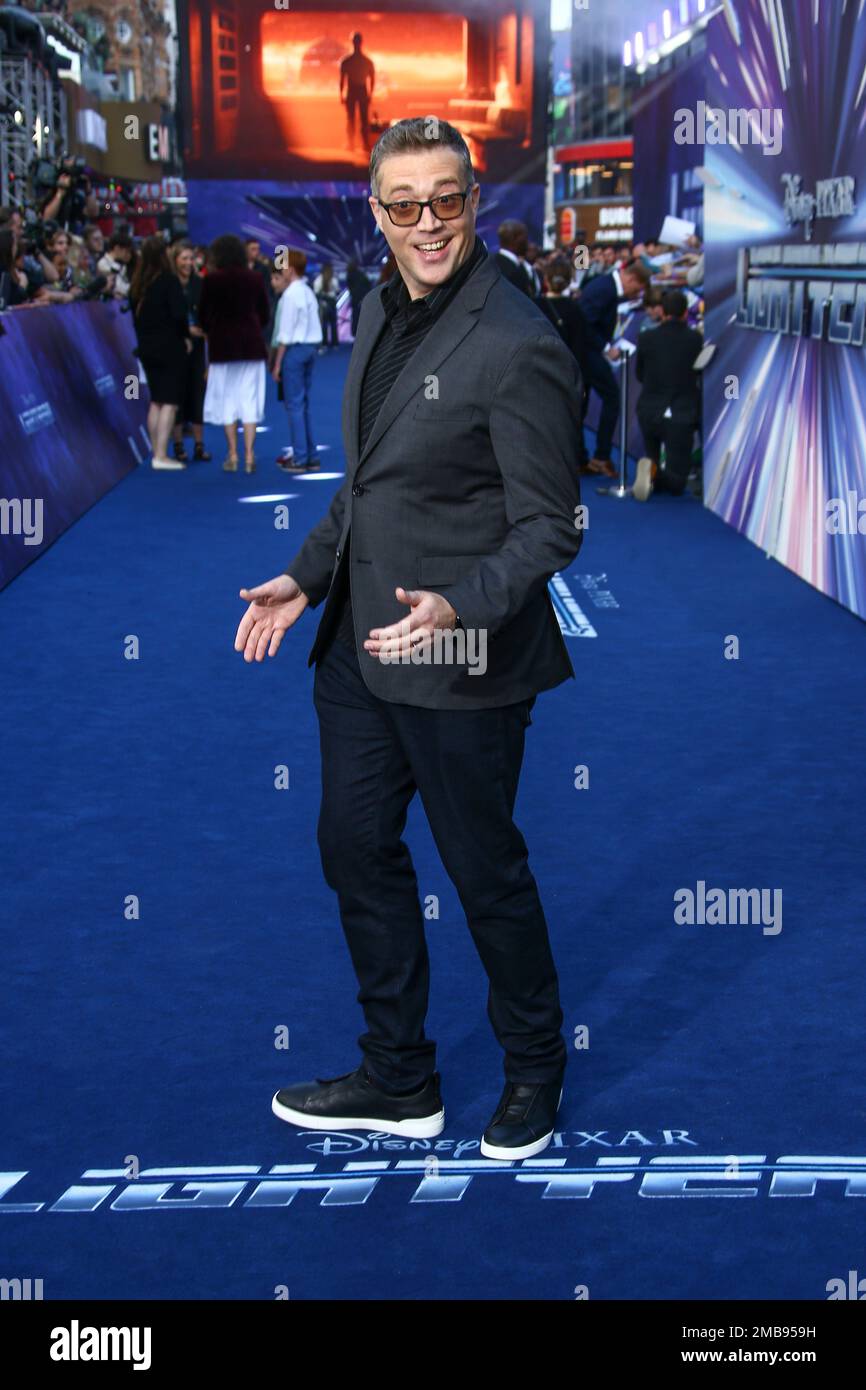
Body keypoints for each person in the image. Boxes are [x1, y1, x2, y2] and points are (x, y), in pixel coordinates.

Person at [234, 116, 583, 1162]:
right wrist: (306, 574)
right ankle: (398, 1075)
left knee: (482, 868)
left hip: (459, 655)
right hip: (358, 646)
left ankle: (533, 1066)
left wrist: (459, 607)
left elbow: (549, 526)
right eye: (403, 205)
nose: (427, 223)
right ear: (375, 212)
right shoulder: (382, 311)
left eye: (446, 200)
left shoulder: (517, 341)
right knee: (350, 842)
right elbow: (371, 481)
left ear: (474, 201)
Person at [199, 233, 270, 474]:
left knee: (227, 401)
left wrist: (213, 329)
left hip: (222, 348)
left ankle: (232, 455)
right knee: (249, 401)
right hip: (251, 346)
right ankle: (250, 456)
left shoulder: (211, 280)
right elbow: (265, 313)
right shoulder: (255, 278)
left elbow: (203, 317)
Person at [574, 256, 650, 476]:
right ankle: (600, 457)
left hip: (588, 352)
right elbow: (585, 322)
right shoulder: (604, 289)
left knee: (583, 405)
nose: (636, 295)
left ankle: (581, 457)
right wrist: (606, 347)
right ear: (632, 279)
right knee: (612, 398)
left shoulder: (605, 285)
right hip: (588, 354)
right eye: (638, 290)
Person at [634, 289, 704, 501]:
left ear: (663, 312)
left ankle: (651, 469)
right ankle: (655, 473)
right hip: (681, 413)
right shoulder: (695, 340)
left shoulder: (646, 337)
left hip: (648, 410)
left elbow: (639, 374)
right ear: (685, 313)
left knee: (653, 455)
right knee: (677, 482)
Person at [129, 235, 192, 472]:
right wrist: (185, 336)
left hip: (145, 347)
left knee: (155, 400)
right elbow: (179, 314)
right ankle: (162, 454)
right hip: (169, 347)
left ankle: (156, 450)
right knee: (170, 401)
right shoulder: (169, 281)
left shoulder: (137, 284)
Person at [270, 251, 323, 472]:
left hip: (295, 350)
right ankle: (310, 455)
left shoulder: (290, 295)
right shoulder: (307, 290)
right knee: (304, 404)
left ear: (290, 269)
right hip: (311, 348)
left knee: (294, 405)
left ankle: (300, 458)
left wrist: (277, 364)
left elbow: (285, 333)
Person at [536, 257, 589, 472]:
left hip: (536, 375)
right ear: (569, 281)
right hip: (566, 377)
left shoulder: (531, 304)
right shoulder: (575, 309)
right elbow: (580, 349)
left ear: (546, 279)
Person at [169, 240, 211, 463]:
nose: (187, 262)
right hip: (175, 347)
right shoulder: (168, 284)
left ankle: (199, 445)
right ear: (175, 260)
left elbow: (207, 312)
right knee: (177, 397)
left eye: (190, 258)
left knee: (197, 394)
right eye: (183, 258)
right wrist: (185, 330)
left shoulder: (199, 283)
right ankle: (177, 445)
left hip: (197, 348)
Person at [340, 31, 375, 151]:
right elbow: (372, 79)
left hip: (355, 90)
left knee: (353, 118)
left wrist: (341, 95)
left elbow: (342, 80)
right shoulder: (366, 61)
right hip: (360, 90)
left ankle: (354, 144)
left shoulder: (347, 61)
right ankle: (362, 144)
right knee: (359, 119)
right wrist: (370, 94)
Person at [494, 219, 536, 296]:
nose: (528, 243)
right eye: (525, 238)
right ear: (514, 239)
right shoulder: (509, 270)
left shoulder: (491, 263)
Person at [97, 232, 134, 300]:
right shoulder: (103, 264)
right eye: (126, 251)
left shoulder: (122, 265)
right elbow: (116, 287)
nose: (128, 254)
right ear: (117, 248)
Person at [313, 260, 340, 349]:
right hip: (330, 303)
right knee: (333, 324)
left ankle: (324, 344)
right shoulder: (333, 280)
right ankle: (334, 344)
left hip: (324, 303)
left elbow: (316, 292)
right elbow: (337, 291)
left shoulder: (318, 280)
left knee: (324, 325)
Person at [345, 258, 372, 337]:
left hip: (356, 299)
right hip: (362, 299)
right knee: (362, 317)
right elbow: (368, 285)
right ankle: (362, 335)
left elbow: (350, 287)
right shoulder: (361, 274)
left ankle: (355, 334)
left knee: (355, 317)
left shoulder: (350, 275)